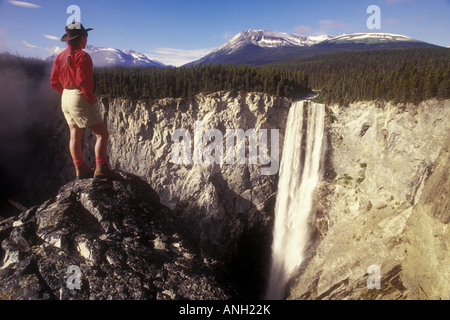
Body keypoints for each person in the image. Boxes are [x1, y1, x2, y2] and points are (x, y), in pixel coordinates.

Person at [50, 21, 116, 179]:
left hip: (65, 96)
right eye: (86, 37)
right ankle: (101, 168)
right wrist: (90, 98)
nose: (87, 40)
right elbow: (84, 82)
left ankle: (80, 168)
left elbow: (53, 81)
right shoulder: (82, 56)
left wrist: (66, 95)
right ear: (81, 38)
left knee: (74, 135)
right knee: (102, 134)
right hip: (78, 96)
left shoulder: (60, 56)